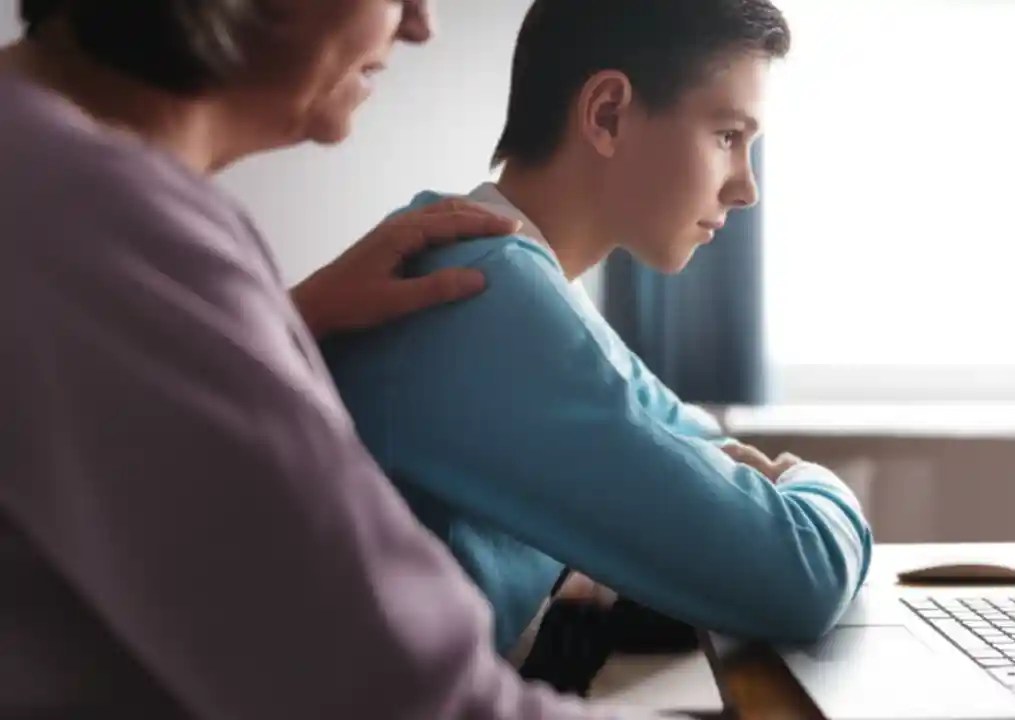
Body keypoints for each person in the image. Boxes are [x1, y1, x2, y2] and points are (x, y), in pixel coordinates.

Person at [0, 0, 653, 717]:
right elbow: (406, 700)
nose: (418, 24)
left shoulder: (42, 173)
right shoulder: (105, 221)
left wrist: (281, 318)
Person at [323, 0, 874, 664]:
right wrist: (822, 483)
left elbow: (699, 446)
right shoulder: (483, 292)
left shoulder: (518, 276)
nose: (747, 188)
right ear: (607, 114)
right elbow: (799, 576)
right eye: (728, 135)